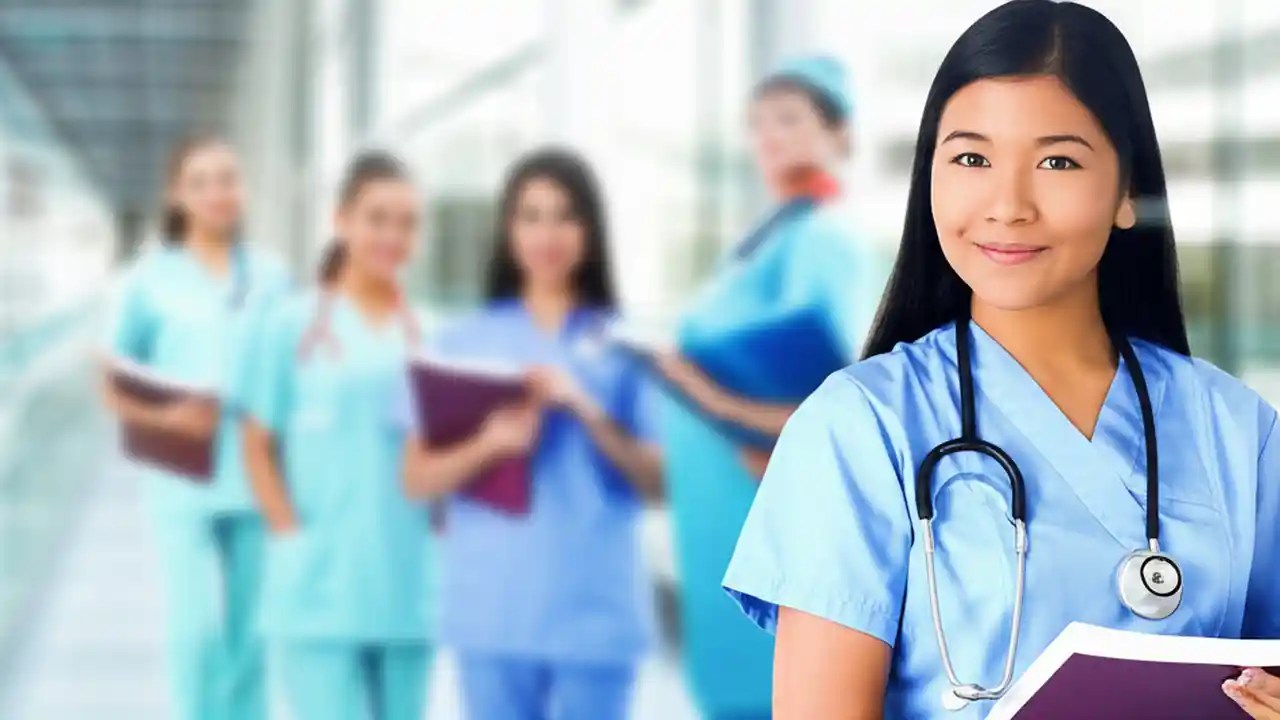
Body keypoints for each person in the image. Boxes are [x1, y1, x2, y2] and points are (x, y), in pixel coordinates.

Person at [721, 2, 1280, 718]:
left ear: (1127, 193)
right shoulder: (859, 427)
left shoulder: (1236, 429)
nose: (1008, 204)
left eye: (1057, 160)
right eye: (971, 158)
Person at [402, 148, 662, 720]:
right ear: (508, 230)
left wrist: (588, 410)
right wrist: (489, 445)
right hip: (494, 613)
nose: (548, 234)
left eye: (565, 215)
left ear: (590, 229)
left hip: (597, 616)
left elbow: (657, 482)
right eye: (531, 215)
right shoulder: (462, 343)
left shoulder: (624, 345)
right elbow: (417, 477)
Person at [654, 55, 874, 719]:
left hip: (762, 509)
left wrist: (707, 394)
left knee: (767, 690)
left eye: (788, 118)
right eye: (757, 124)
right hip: (717, 514)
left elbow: (834, 397)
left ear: (839, 135)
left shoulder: (825, 242)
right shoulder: (762, 242)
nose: (769, 136)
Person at [242, 151, 436, 720]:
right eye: (378, 219)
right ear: (342, 220)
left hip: (407, 582)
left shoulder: (430, 336)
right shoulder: (289, 327)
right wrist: (288, 534)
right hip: (317, 584)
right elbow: (256, 445)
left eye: (407, 223)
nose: (393, 236)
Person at [103, 135, 290, 720]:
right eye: (201, 181)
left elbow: (291, 364)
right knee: (194, 630)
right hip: (180, 475)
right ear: (177, 195)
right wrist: (165, 415)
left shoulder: (272, 273)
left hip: (256, 471)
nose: (218, 193)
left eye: (229, 178)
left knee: (251, 632)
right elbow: (112, 382)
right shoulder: (149, 279)